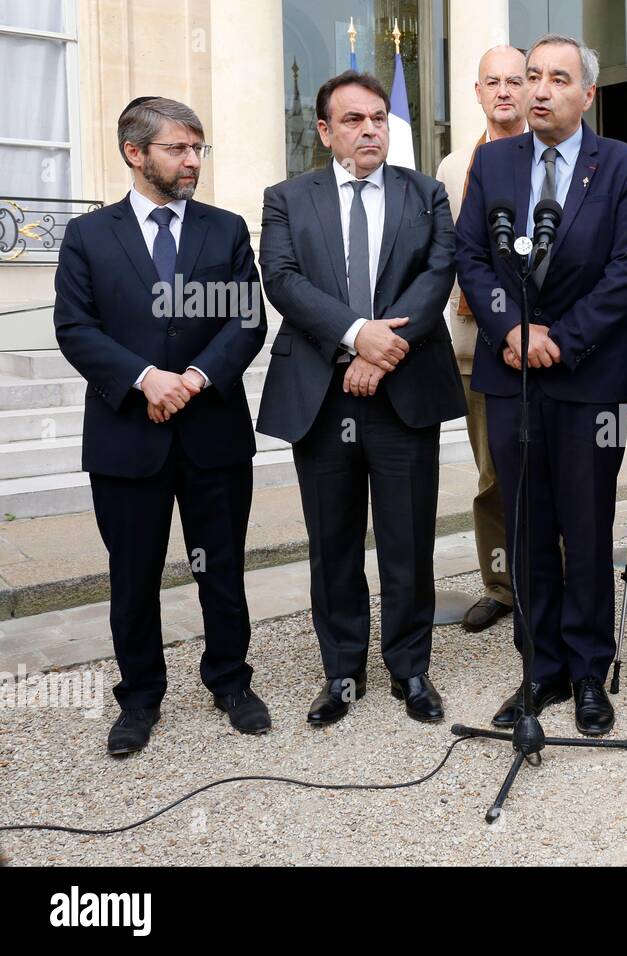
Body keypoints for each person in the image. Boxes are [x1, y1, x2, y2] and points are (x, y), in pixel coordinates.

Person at [53, 96, 269, 755]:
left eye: (198, 148)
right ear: (135, 152)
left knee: (222, 568)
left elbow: (246, 321)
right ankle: (140, 699)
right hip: (127, 435)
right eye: (178, 148)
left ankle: (231, 682)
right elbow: (75, 328)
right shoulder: (88, 236)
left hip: (213, 433)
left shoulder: (225, 228)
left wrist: (196, 379)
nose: (191, 160)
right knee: (134, 576)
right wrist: (146, 380)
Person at [455, 34, 627, 736]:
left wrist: (560, 340)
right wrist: (511, 329)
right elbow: (471, 254)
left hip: (586, 381)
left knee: (585, 529)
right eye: (530, 76)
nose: (537, 90)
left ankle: (590, 672)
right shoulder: (496, 161)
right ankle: (539, 670)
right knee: (528, 529)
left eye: (556, 78)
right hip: (510, 379)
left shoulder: (624, 166)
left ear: (586, 94)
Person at [257, 71, 465, 727]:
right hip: (321, 395)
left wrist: (381, 354)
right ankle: (342, 673)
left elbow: (437, 275)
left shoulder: (426, 193)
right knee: (334, 544)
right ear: (324, 131)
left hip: (403, 393)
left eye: (378, 117)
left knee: (408, 542)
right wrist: (355, 338)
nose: (370, 129)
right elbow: (283, 281)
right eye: (353, 119)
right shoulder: (287, 198)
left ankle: (410, 669)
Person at [435, 45, 527, 634]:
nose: (503, 92)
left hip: (547, 347)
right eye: (491, 81)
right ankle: (501, 584)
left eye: (514, 81)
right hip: (474, 347)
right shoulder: (450, 169)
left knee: (550, 468)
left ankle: (555, 577)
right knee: (493, 474)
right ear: (476, 92)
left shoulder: (551, 158)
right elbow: (447, 259)